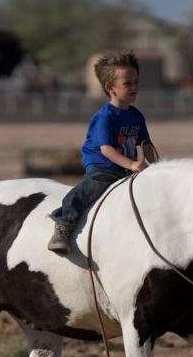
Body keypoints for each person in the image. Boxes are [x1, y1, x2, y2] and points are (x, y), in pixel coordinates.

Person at [48, 51, 152, 254]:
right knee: (88, 189)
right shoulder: (104, 117)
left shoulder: (136, 116)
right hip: (104, 166)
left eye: (135, 82)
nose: (134, 87)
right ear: (110, 88)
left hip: (126, 168)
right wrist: (131, 164)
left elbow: (146, 145)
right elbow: (106, 150)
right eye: (127, 84)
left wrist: (156, 167)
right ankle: (63, 225)